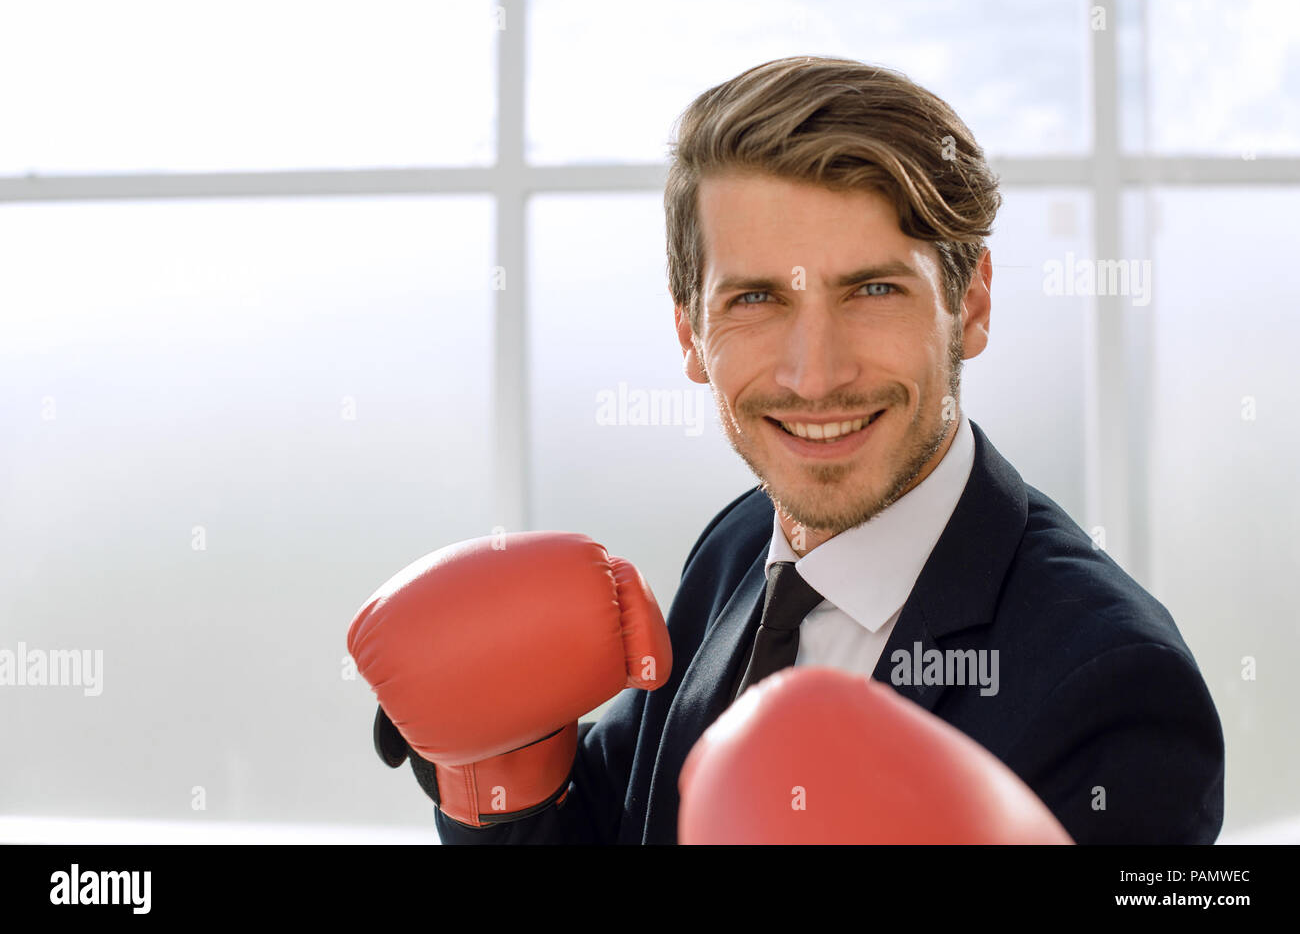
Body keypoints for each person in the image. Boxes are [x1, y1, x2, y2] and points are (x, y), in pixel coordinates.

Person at [354, 55, 1224, 844]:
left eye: (874, 289)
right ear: (690, 333)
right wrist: (502, 778)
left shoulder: (1116, 685)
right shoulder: (740, 546)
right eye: (757, 300)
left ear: (973, 305)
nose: (816, 377)